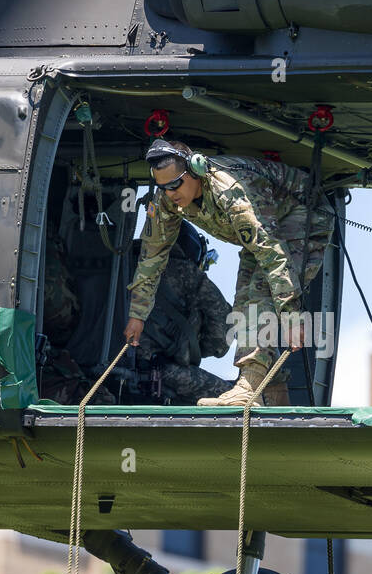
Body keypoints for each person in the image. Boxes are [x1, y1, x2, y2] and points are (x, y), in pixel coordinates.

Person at [124, 139, 334, 406]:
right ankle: (273, 392)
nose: (169, 193)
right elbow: (151, 256)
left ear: (195, 171)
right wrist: (137, 315)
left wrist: (292, 314)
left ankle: (249, 385)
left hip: (302, 216)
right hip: (265, 232)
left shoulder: (230, 191)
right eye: (162, 187)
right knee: (244, 300)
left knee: (259, 294)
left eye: (175, 184)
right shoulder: (167, 201)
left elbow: (270, 250)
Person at [135, 225, 233, 404]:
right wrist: (197, 348)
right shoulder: (185, 271)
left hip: (111, 367)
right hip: (162, 370)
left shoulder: (124, 264)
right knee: (236, 399)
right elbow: (222, 327)